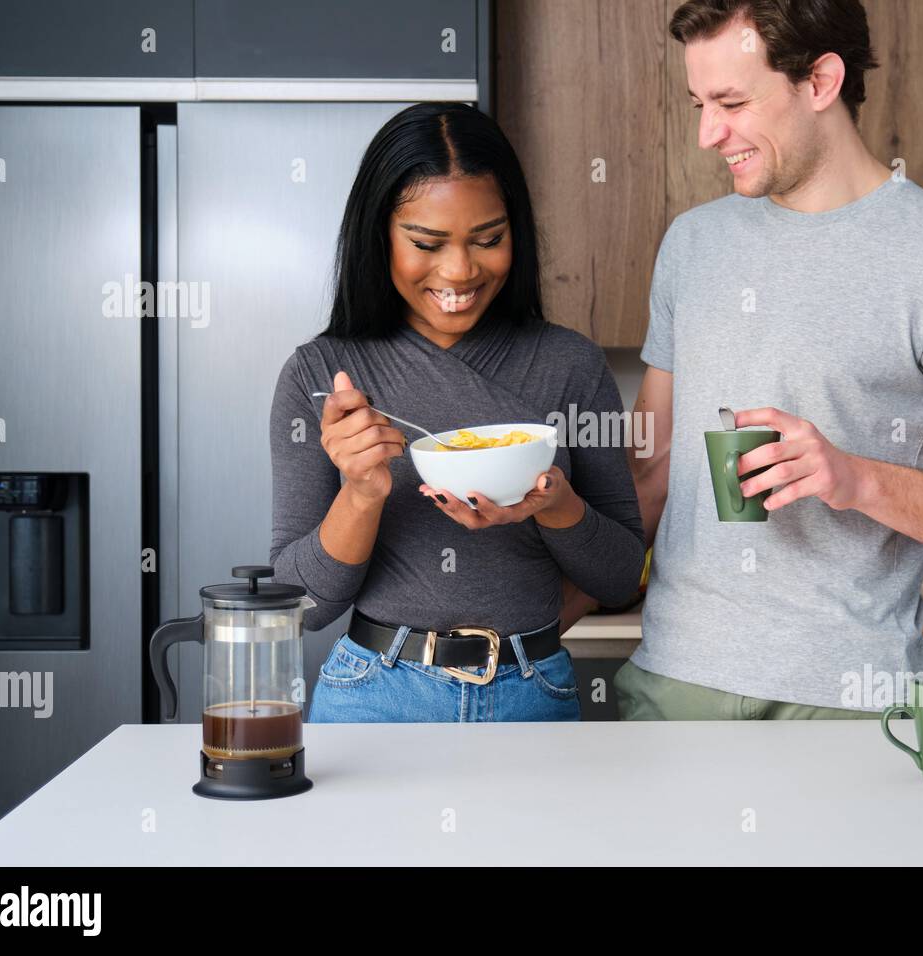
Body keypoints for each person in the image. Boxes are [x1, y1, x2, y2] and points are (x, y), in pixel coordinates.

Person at [619, 0, 923, 719]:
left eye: (731, 102)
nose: (707, 133)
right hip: (672, 686)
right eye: (699, 103)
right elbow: (651, 471)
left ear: (821, 81)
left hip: (844, 702)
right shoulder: (692, 246)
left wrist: (853, 477)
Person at [269, 102, 646, 722]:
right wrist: (361, 493)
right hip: (376, 694)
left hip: (534, 691)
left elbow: (619, 576)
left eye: (488, 239)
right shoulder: (320, 378)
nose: (460, 271)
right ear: (379, 235)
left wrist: (557, 505)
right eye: (426, 242)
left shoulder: (570, 365)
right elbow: (304, 606)